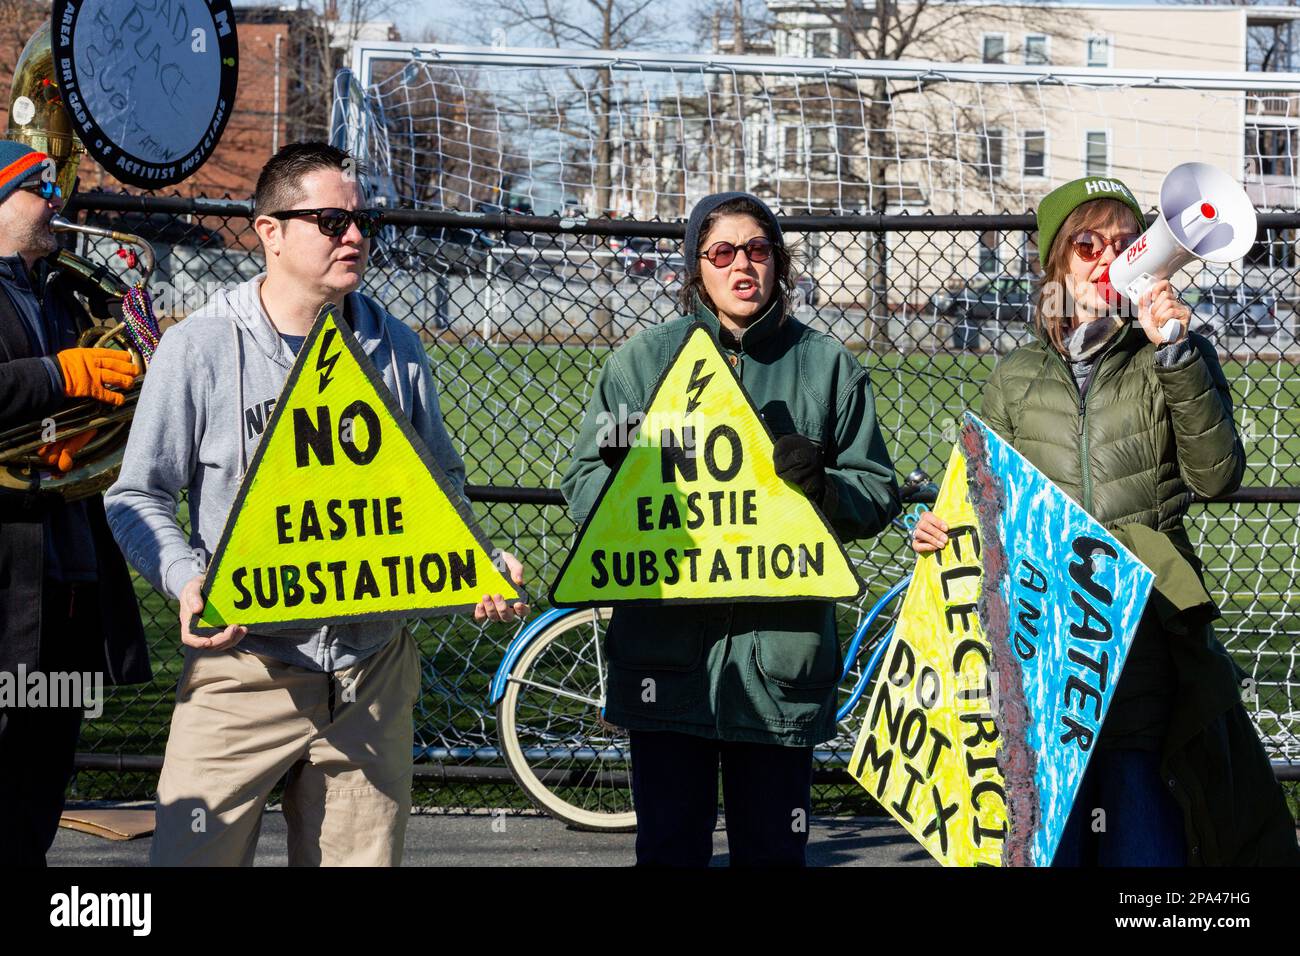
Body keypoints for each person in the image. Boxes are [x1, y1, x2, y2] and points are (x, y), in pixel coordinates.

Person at [104, 142, 528, 867]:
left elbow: (439, 483)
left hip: (371, 673)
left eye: (365, 221)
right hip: (243, 667)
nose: (355, 236)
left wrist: (477, 560)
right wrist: (184, 578)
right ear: (270, 232)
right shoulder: (201, 347)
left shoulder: (395, 346)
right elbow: (136, 494)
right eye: (332, 221)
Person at [911, 175, 1300, 866]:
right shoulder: (1015, 378)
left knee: (1143, 848)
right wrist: (938, 530)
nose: (1108, 259)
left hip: (1144, 654)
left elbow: (1216, 476)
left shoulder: (1171, 356)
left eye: (1125, 243)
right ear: (1056, 263)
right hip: (1045, 666)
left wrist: (1175, 353)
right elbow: (977, 500)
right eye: (1087, 245)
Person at [562, 191, 901, 866]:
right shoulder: (641, 363)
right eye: (722, 252)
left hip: (780, 664)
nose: (742, 265)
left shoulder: (826, 365)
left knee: (774, 850)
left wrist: (824, 488)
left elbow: (877, 489)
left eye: (757, 249)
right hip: (663, 660)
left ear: (778, 262)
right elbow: (581, 482)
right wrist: (626, 485)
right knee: (668, 849)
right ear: (697, 267)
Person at [0, 140, 150, 866]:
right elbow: (53, 383)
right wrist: (60, 378)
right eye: (38, 189)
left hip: (72, 575)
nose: (56, 202)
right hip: (8, 574)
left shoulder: (68, 291)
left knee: (46, 757)